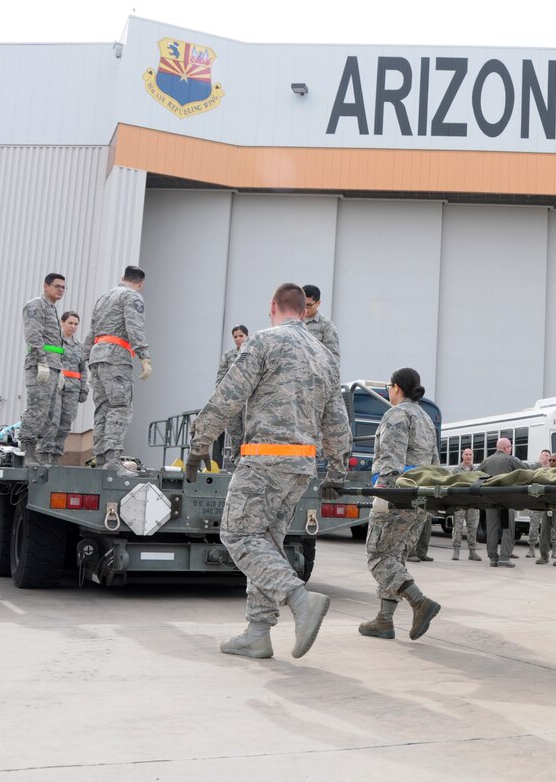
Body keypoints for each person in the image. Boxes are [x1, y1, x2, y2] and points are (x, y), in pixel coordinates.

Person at [185, 283, 349, 660]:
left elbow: (229, 395)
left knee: (238, 534)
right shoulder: (324, 356)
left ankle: (300, 599)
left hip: (265, 459)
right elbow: (337, 422)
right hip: (301, 467)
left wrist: (198, 445)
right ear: (303, 310)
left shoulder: (264, 341)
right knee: (268, 544)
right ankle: (258, 632)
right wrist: (336, 470)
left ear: (273, 307)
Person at [358, 367, 443, 641]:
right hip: (420, 499)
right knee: (395, 557)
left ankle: (420, 602)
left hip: (397, 496)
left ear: (396, 387)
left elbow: (391, 463)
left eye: (389, 387)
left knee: (379, 555)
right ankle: (384, 620)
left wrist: (383, 495)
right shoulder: (426, 418)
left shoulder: (397, 414)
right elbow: (435, 464)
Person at [85, 266, 152, 477]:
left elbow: (91, 332)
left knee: (103, 408)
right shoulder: (132, 297)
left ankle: (102, 458)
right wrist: (144, 357)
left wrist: (85, 359)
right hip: (116, 357)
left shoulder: (103, 298)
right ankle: (112, 462)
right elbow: (135, 327)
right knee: (120, 406)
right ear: (141, 284)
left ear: (121, 278)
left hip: (97, 356)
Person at [19, 273, 66, 466]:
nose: (61, 290)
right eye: (57, 286)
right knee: (37, 409)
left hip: (53, 367)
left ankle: (39, 454)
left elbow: (54, 342)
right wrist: (42, 362)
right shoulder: (36, 305)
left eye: (63, 287)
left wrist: (59, 368)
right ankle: (28, 453)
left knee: (49, 413)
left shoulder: (52, 309)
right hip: (41, 366)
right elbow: (33, 335)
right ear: (46, 286)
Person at [41, 311, 89, 466]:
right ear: (62, 323)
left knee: (65, 423)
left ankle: (55, 458)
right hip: (55, 387)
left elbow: (83, 369)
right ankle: (44, 455)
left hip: (72, 390)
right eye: (70, 323)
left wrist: (84, 389)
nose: (73, 326)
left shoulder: (80, 347)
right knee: (52, 421)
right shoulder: (54, 342)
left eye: (76, 324)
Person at [479, 438, 527, 567]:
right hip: (506, 500)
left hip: (489, 499)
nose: (511, 449)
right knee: (507, 528)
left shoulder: (486, 461)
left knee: (492, 529)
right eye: (510, 447)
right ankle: (505, 557)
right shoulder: (510, 459)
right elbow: (526, 469)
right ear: (505, 448)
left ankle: (493, 558)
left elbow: (476, 476)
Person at [215, 325, 249, 467]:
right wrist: (220, 396)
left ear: (247, 336)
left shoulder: (253, 353)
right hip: (233, 399)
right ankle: (236, 460)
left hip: (248, 399)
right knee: (235, 431)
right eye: (235, 336)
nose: (238, 339)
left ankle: (248, 460)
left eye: (241, 336)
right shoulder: (229, 355)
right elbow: (221, 376)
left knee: (249, 429)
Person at [450, 447, 482, 561]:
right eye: (466, 454)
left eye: (470, 454)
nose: (468, 457)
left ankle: (472, 552)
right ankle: (456, 551)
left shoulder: (476, 471)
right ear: (462, 456)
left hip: (473, 503)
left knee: (472, 528)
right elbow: (451, 484)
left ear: (472, 456)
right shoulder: (456, 470)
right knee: (458, 527)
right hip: (459, 503)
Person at [302, 284, 341, 364]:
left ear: (318, 303)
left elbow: (333, 358)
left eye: (309, 305)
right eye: (302, 303)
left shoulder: (326, 325)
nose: (305, 308)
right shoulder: (292, 322)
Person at [526, 450, 552, 559]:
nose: (544, 458)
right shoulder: (534, 470)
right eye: (542, 456)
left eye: (547, 456)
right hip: (536, 501)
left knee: (552, 527)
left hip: (549, 502)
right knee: (534, 526)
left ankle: (554, 548)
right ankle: (531, 548)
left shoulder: (553, 471)